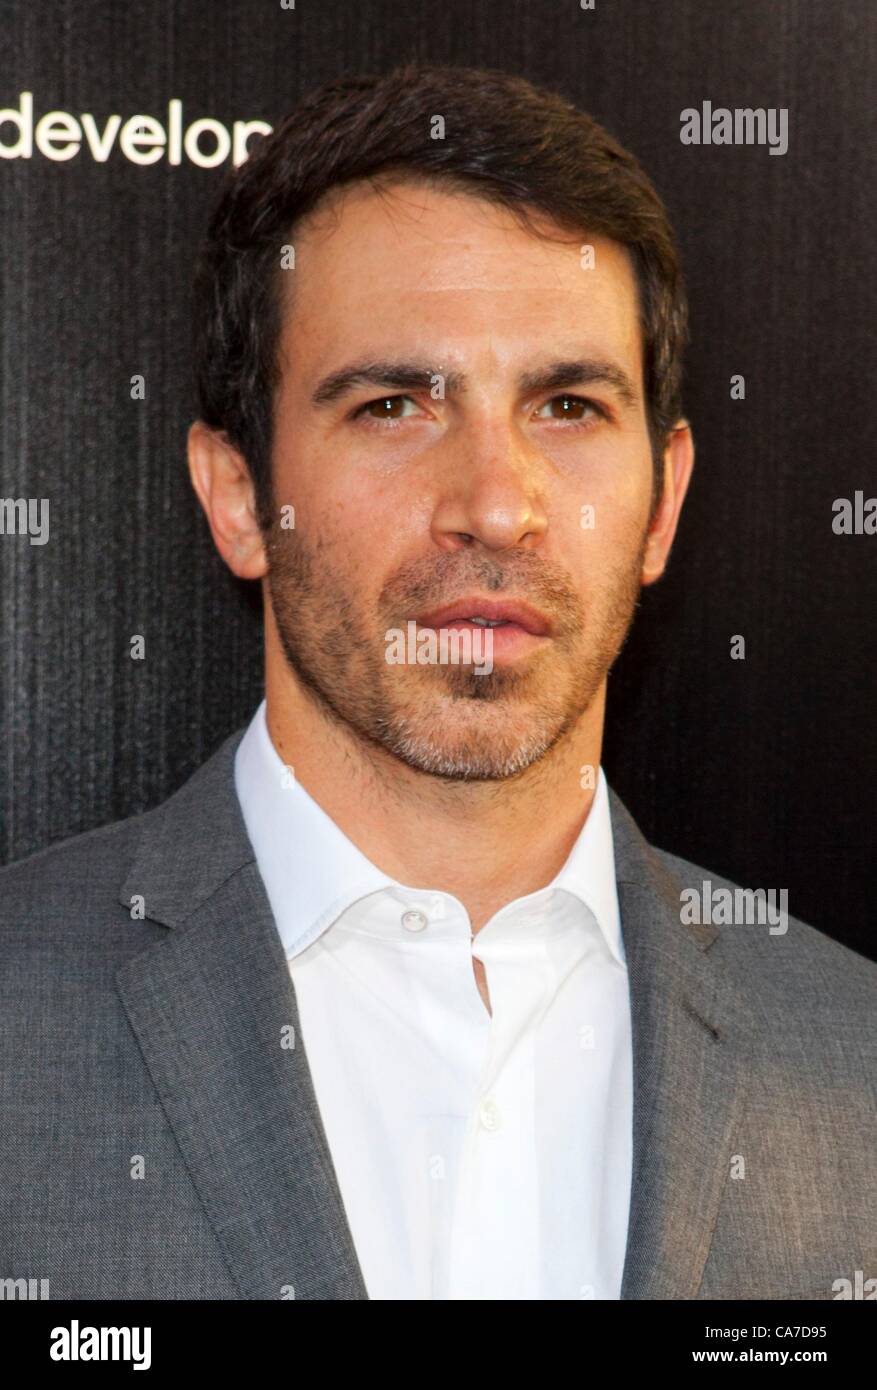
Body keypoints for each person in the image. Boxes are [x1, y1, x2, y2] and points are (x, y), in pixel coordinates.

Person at [1, 62, 873, 1302]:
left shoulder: (856, 1065)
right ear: (240, 496)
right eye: (395, 404)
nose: (496, 505)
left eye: (567, 404)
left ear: (663, 502)